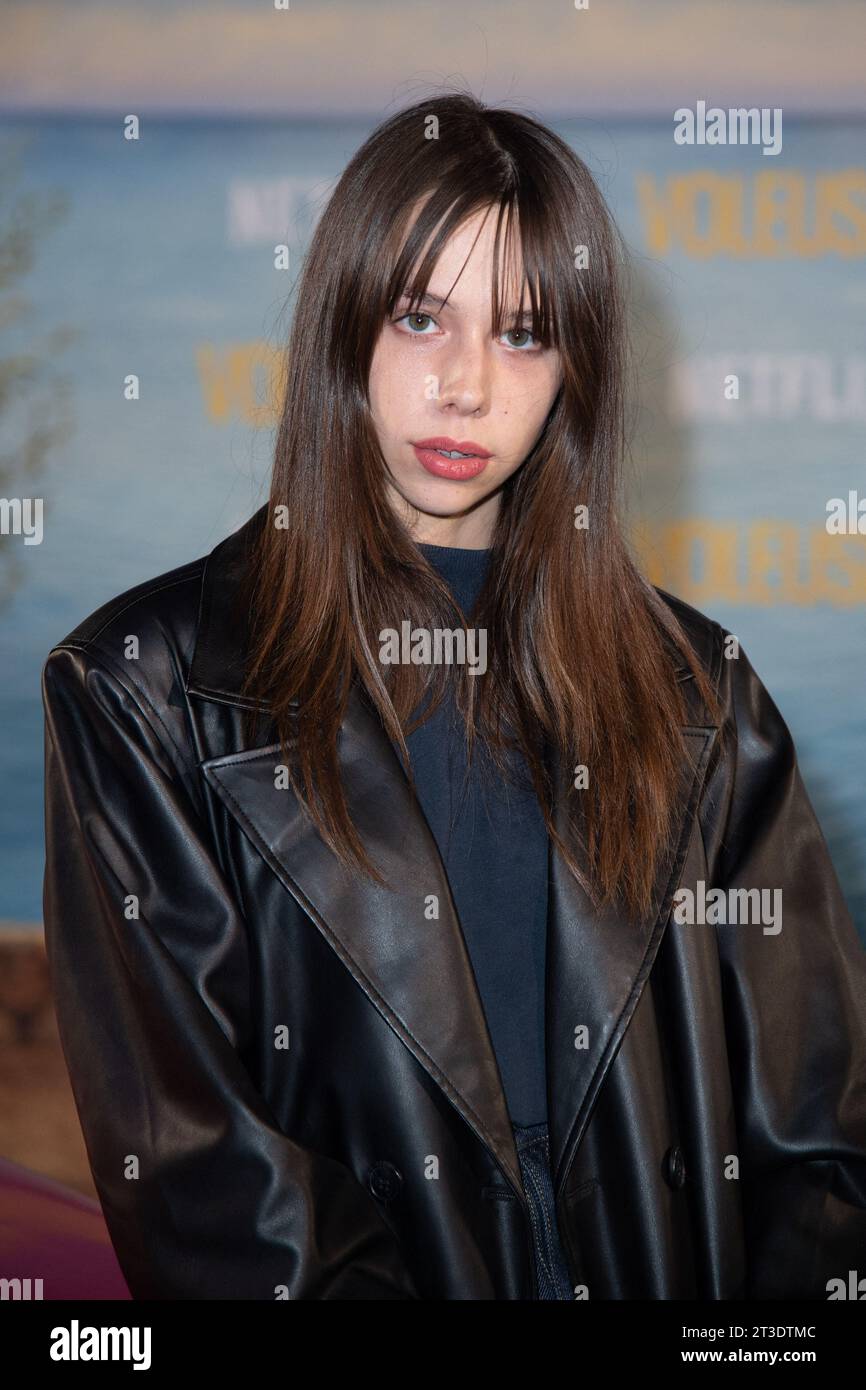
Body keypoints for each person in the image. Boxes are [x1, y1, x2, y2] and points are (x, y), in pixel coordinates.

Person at [41, 92, 866, 1301]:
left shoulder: (701, 699)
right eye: (421, 317)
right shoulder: (144, 689)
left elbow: (814, 1144)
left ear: (576, 366)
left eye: (524, 331)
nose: (467, 384)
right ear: (343, 327)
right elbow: (206, 1183)